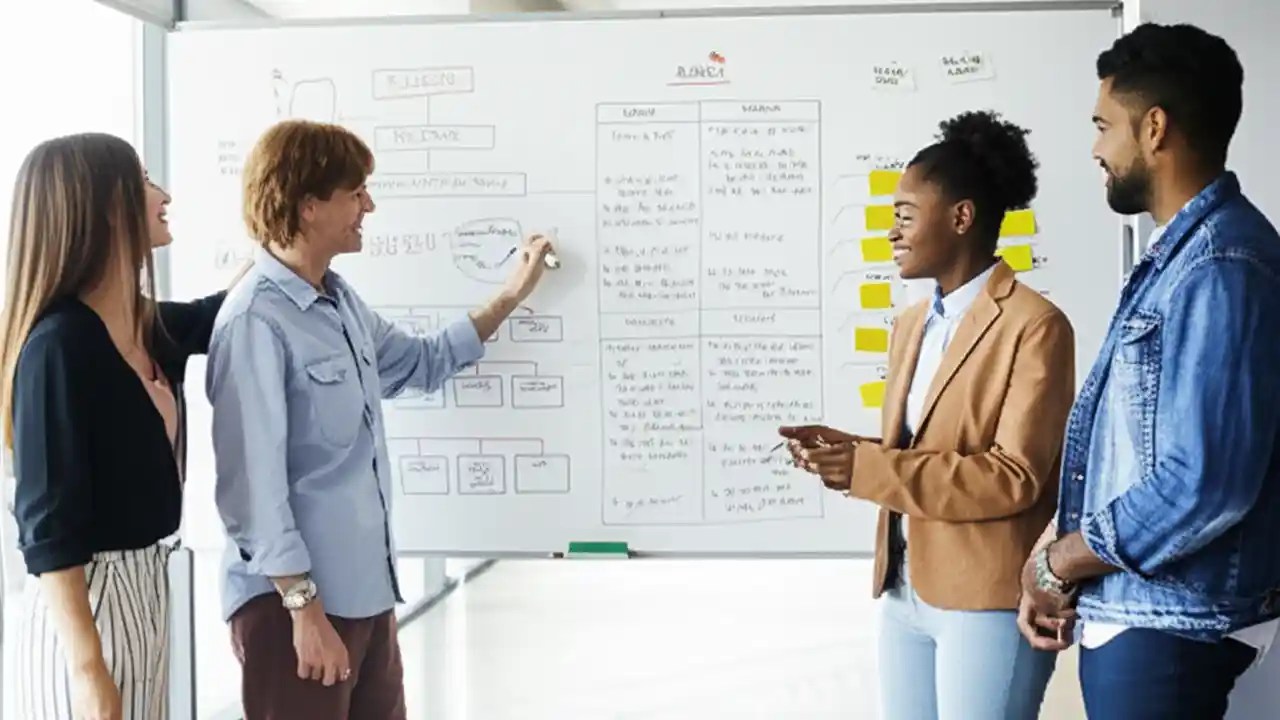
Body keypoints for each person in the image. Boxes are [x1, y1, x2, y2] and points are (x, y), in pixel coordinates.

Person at [207, 119, 554, 719]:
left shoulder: (338, 301)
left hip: (365, 596)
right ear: (309, 204)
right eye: (356, 192)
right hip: (296, 611)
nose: (369, 204)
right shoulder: (255, 322)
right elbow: (251, 494)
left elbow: (420, 363)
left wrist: (511, 295)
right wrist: (304, 610)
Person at [1018, 23, 1280, 720]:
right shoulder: (1182, 258)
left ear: (1155, 128)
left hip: (1169, 630)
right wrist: (1058, 566)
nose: (1097, 147)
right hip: (1144, 620)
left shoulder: (1221, 267)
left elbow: (1204, 480)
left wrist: (1060, 562)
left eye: (1105, 125)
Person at [778, 110, 1076, 720]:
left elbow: (1012, 475)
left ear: (962, 217)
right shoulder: (912, 323)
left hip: (987, 597)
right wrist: (851, 452)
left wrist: (866, 469)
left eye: (905, 216)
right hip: (904, 587)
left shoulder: (1035, 325)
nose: (892, 233)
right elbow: (924, 447)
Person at [0, 133, 238, 720]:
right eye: (144, 182)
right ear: (105, 207)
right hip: (88, 608)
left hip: (143, 590)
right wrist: (88, 671)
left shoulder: (142, 327)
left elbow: (220, 313)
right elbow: (47, 527)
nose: (163, 194)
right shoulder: (58, 346)